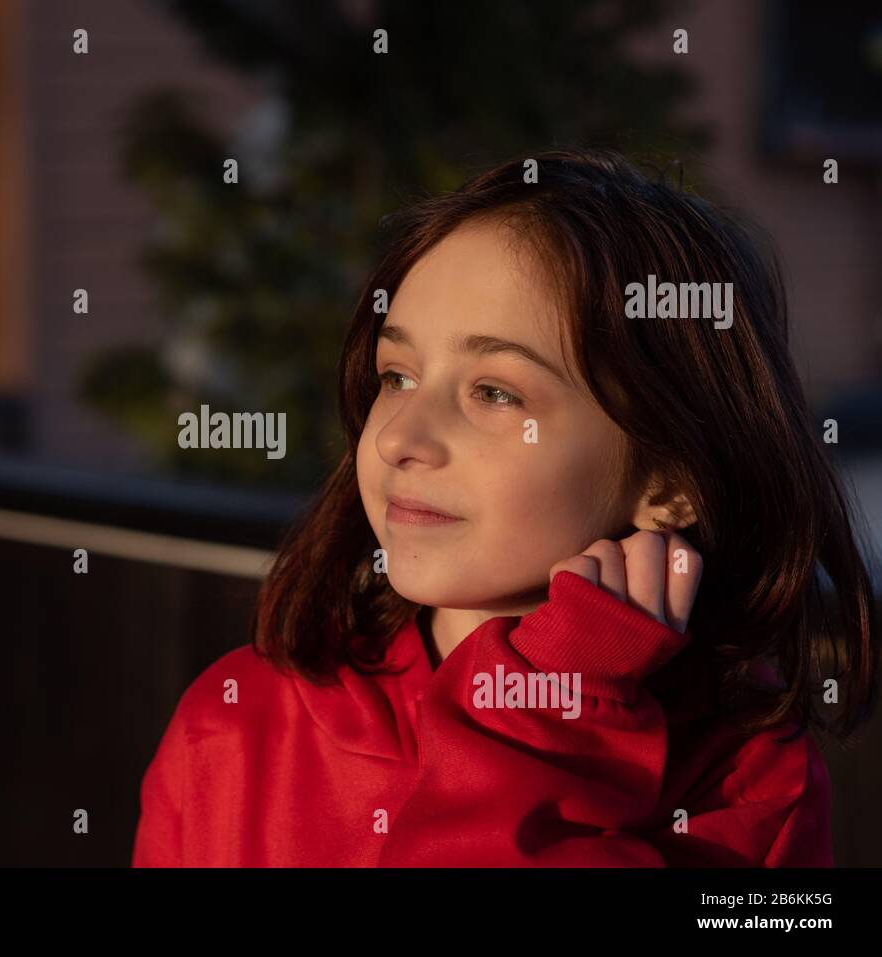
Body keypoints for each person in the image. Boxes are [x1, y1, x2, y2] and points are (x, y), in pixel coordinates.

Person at [132, 148, 878, 867]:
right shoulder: (236, 728)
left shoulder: (746, 784)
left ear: (671, 477)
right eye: (396, 375)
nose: (400, 438)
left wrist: (546, 721)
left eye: (494, 393)